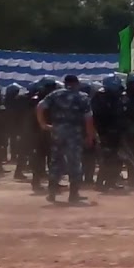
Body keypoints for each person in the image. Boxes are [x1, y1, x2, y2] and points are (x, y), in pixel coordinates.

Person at [36, 74, 97, 203]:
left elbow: (40, 107)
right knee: (74, 163)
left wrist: (43, 124)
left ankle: (52, 193)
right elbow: (88, 119)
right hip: (74, 134)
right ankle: (73, 195)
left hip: (57, 132)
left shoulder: (55, 95)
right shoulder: (82, 97)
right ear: (76, 83)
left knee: (56, 162)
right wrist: (90, 136)